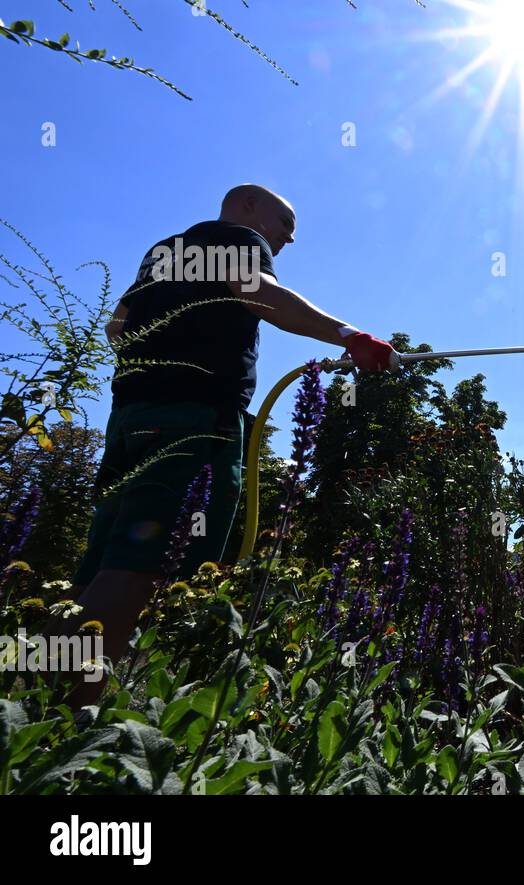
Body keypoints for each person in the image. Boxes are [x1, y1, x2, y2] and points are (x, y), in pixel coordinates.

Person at [52, 184, 395, 711]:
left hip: (131, 419)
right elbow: (260, 292)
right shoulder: (238, 237)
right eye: (286, 223)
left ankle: (40, 705)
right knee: (141, 568)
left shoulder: (163, 253)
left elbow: (116, 327)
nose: (289, 238)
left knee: (99, 566)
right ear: (249, 206)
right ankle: (68, 727)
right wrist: (349, 335)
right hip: (194, 420)